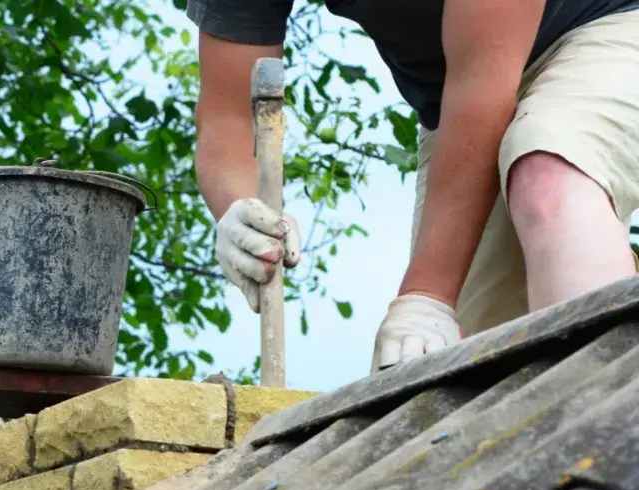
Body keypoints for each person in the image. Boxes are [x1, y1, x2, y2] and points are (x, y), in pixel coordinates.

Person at [186, 0, 639, 373]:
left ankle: (615, 442)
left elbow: (484, 82)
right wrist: (239, 209)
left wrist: (425, 298)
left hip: (613, 23)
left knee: (550, 174)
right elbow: (226, 115)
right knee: (462, 379)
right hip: (461, 98)